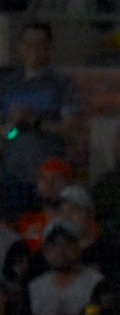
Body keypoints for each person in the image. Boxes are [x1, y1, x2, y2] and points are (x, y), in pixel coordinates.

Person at [0, 23, 78, 216]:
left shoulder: (62, 83)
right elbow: (7, 135)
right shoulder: (8, 85)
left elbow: (73, 130)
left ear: (50, 48)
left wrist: (36, 121)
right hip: (13, 177)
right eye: (28, 44)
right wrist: (16, 125)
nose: (33, 50)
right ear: (20, 47)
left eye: (40, 44)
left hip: (50, 179)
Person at [27, 222, 101, 315]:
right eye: (53, 245)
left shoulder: (95, 282)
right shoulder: (34, 287)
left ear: (78, 248)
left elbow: (99, 312)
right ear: (45, 251)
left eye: (66, 244)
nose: (60, 251)